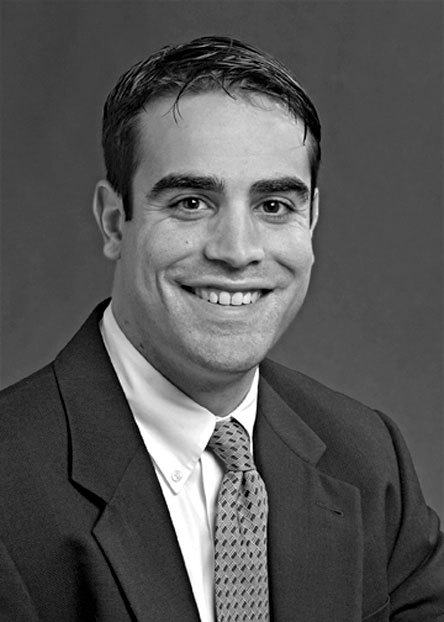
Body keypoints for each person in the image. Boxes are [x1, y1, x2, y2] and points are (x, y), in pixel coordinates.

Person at [0, 35, 442, 622]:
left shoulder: (369, 459)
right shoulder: (10, 482)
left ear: (311, 222)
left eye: (274, 206)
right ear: (114, 221)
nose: (237, 251)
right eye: (191, 202)